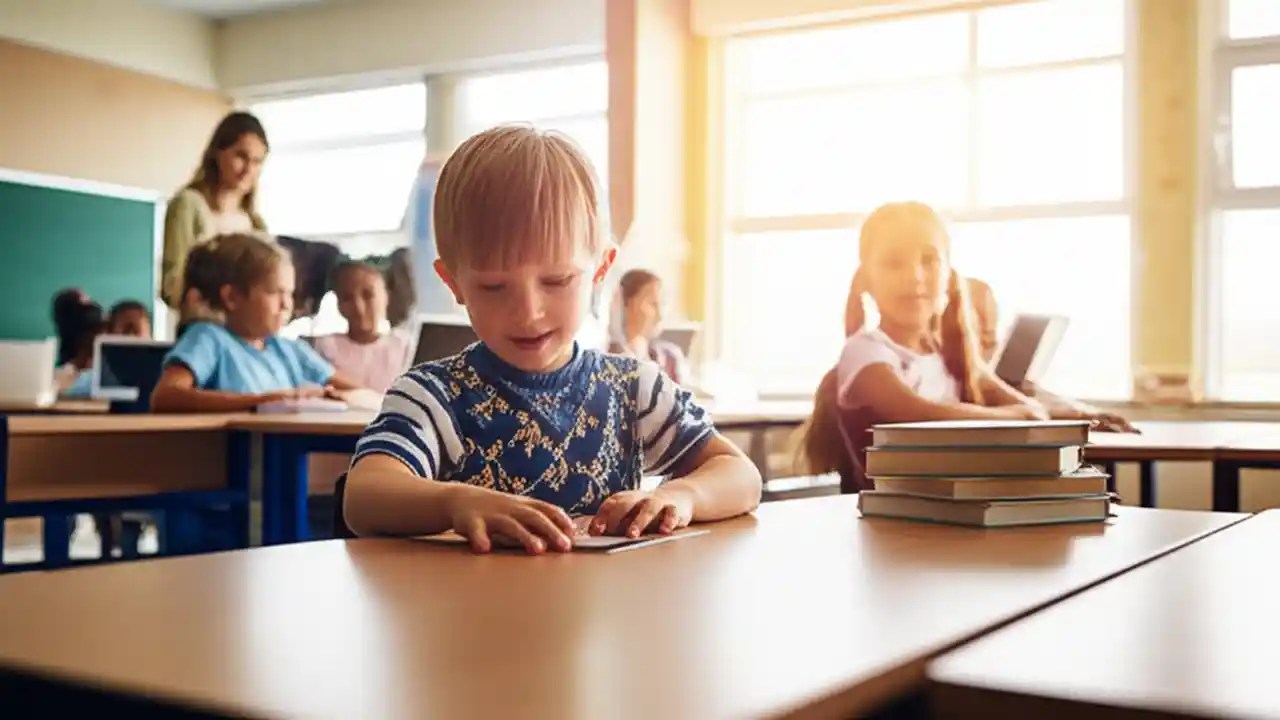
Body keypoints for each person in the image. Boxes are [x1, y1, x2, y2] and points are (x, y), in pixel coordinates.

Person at [343, 125, 761, 553]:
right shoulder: (435, 397)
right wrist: (454, 503)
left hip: (606, 614)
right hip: (472, 613)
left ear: (600, 270)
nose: (528, 312)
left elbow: (739, 474)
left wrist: (680, 495)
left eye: (557, 280)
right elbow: (365, 496)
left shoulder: (633, 389)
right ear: (454, 283)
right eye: (493, 287)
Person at [801, 201, 1132, 493]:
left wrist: (1065, 414)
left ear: (948, 274)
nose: (914, 276)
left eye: (929, 260)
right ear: (866, 279)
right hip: (900, 530)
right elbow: (924, 417)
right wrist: (1021, 417)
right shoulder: (864, 353)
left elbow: (1023, 403)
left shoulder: (949, 356)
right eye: (893, 263)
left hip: (958, 515)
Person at [150, 233, 365, 413]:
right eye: (274, 292)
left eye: (289, 293)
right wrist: (262, 402)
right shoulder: (208, 338)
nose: (286, 304)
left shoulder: (289, 350)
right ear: (232, 297)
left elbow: (364, 395)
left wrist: (330, 397)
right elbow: (166, 396)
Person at [161, 112, 270, 331]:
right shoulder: (188, 204)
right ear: (218, 153)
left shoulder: (256, 224)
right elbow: (171, 284)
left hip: (246, 338)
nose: (248, 170)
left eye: (257, 162)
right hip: (201, 334)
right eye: (241, 156)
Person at [314, 261, 412, 394]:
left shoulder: (405, 347)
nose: (358, 308)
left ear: (386, 296)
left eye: (368, 295)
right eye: (347, 298)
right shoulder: (326, 347)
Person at [609, 268, 690, 385]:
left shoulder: (670, 359)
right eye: (652, 304)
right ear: (626, 304)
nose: (660, 315)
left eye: (662, 304)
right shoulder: (606, 362)